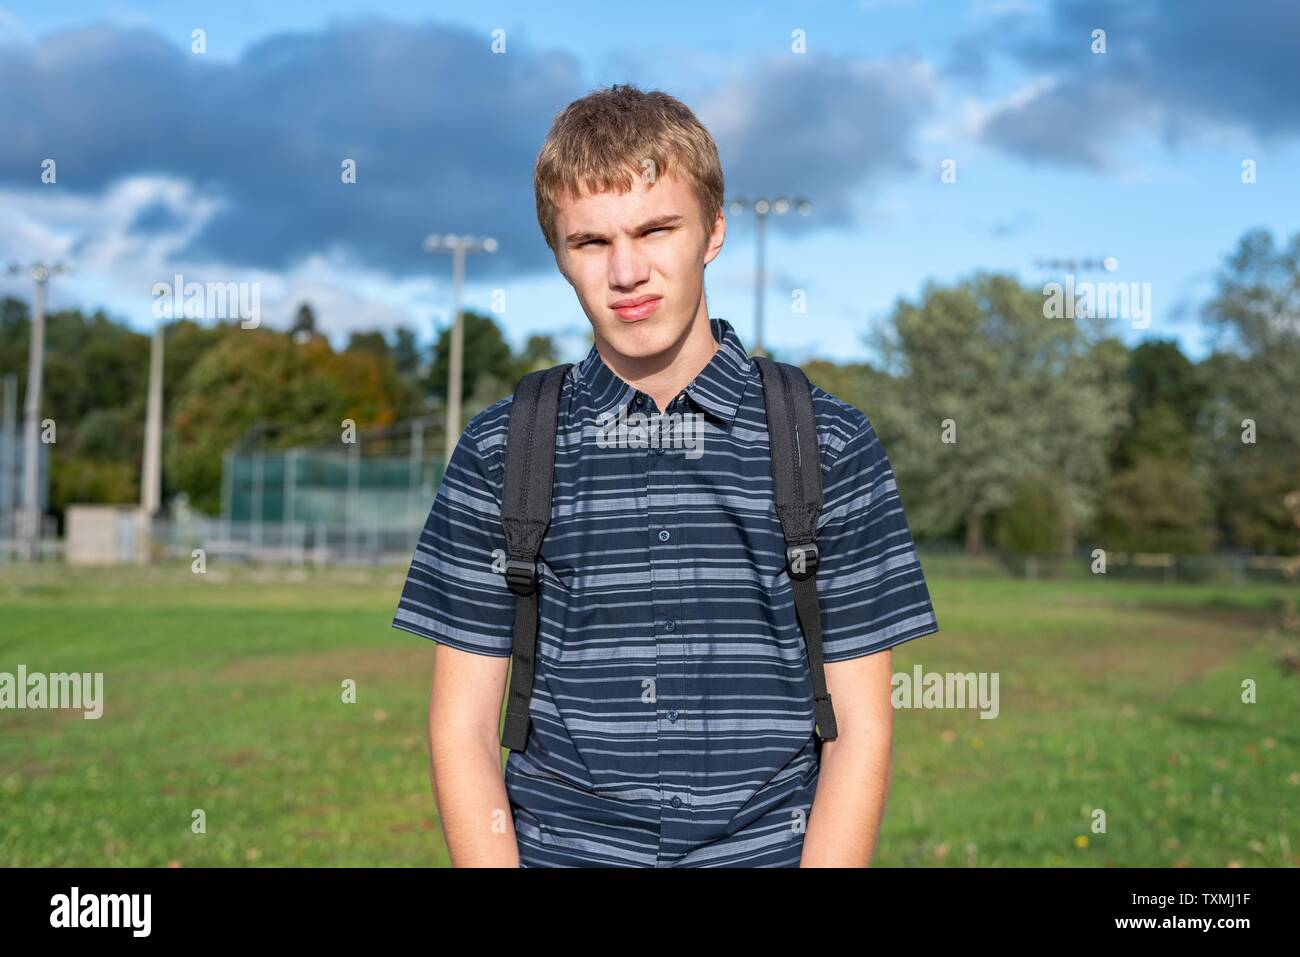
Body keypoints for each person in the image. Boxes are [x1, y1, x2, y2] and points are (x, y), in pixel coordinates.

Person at [393, 83, 939, 867]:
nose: (626, 271)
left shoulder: (830, 442)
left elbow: (862, 732)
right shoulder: (499, 449)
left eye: (656, 229)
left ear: (713, 231)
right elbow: (464, 729)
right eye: (590, 242)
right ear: (557, 253)